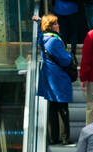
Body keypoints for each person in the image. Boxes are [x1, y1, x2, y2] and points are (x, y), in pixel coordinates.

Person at [36, 15, 74, 145]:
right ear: (50, 26)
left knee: (52, 108)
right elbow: (64, 60)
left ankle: (53, 137)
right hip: (58, 77)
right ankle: (65, 137)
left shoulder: (42, 38)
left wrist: (38, 21)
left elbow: (39, 31)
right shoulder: (54, 41)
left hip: (48, 76)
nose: (58, 25)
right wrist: (69, 55)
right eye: (56, 24)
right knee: (63, 108)